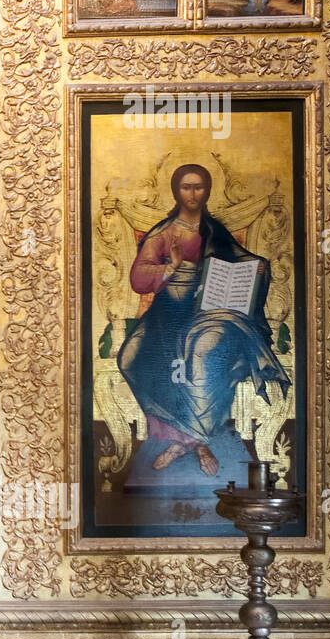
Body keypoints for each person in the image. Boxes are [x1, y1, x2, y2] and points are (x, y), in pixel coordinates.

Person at [117, 164, 290, 478]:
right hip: (167, 314)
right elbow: (139, 279)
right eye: (186, 187)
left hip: (208, 311)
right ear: (176, 190)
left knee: (200, 355)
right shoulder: (163, 232)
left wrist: (258, 267)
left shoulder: (214, 231)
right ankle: (184, 440)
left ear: (207, 190)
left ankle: (194, 442)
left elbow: (240, 259)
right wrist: (171, 268)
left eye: (198, 187)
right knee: (130, 357)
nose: (193, 193)